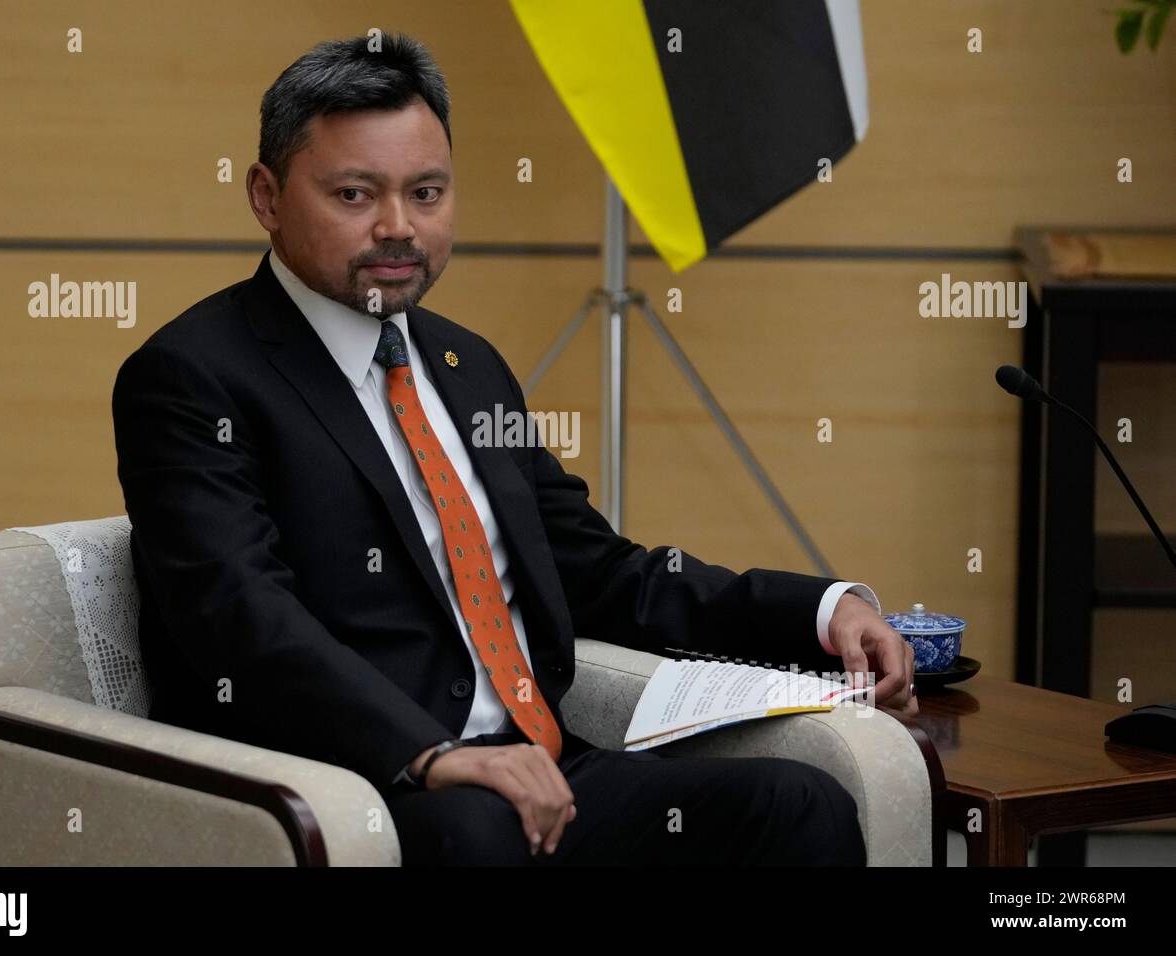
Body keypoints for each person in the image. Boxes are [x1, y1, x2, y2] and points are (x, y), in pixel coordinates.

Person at [111, 31, 918, 866]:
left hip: (546, 771)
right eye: (354, 195)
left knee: (797, 805)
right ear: (267, 196)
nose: (398, 228)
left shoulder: (468, 368)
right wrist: (432, 755)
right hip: (360, 789)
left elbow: (599, 572)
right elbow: (239, 618)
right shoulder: (192, 376)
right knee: (478, 831)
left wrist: (820, 613)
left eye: (427, 193)